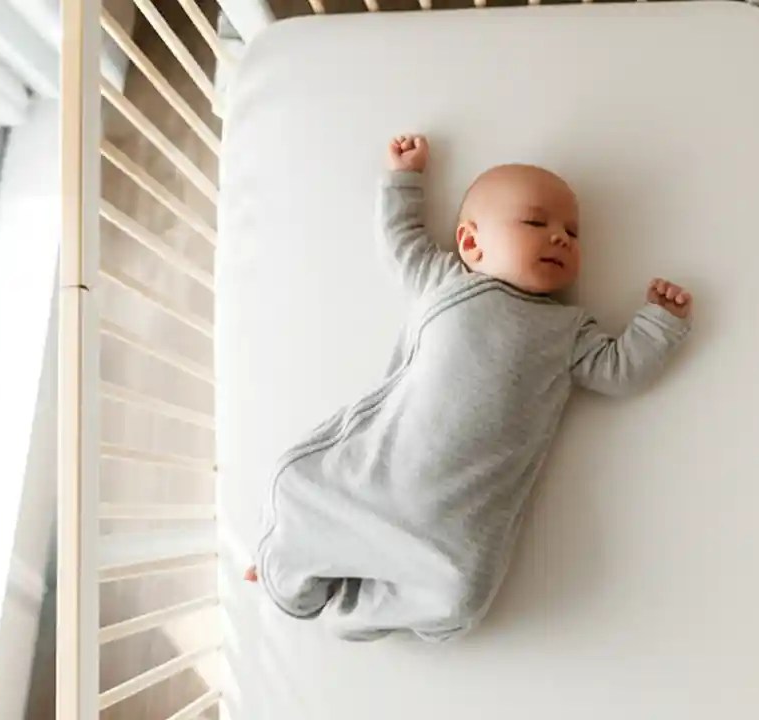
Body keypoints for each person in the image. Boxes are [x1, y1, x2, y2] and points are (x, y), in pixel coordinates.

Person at [245, 134, 692, 642]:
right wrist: (404, 178)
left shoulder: (568, 329)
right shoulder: (448, 282)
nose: (561, 238)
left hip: (461, 519)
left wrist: (659, 322)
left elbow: (620, 370)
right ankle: (284, 578)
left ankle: (352, 612)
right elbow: (401, 240)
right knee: (300, 489)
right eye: (536, 223)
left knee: (462, 598)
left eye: (572, 231)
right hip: (380, 471)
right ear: (472, 243)